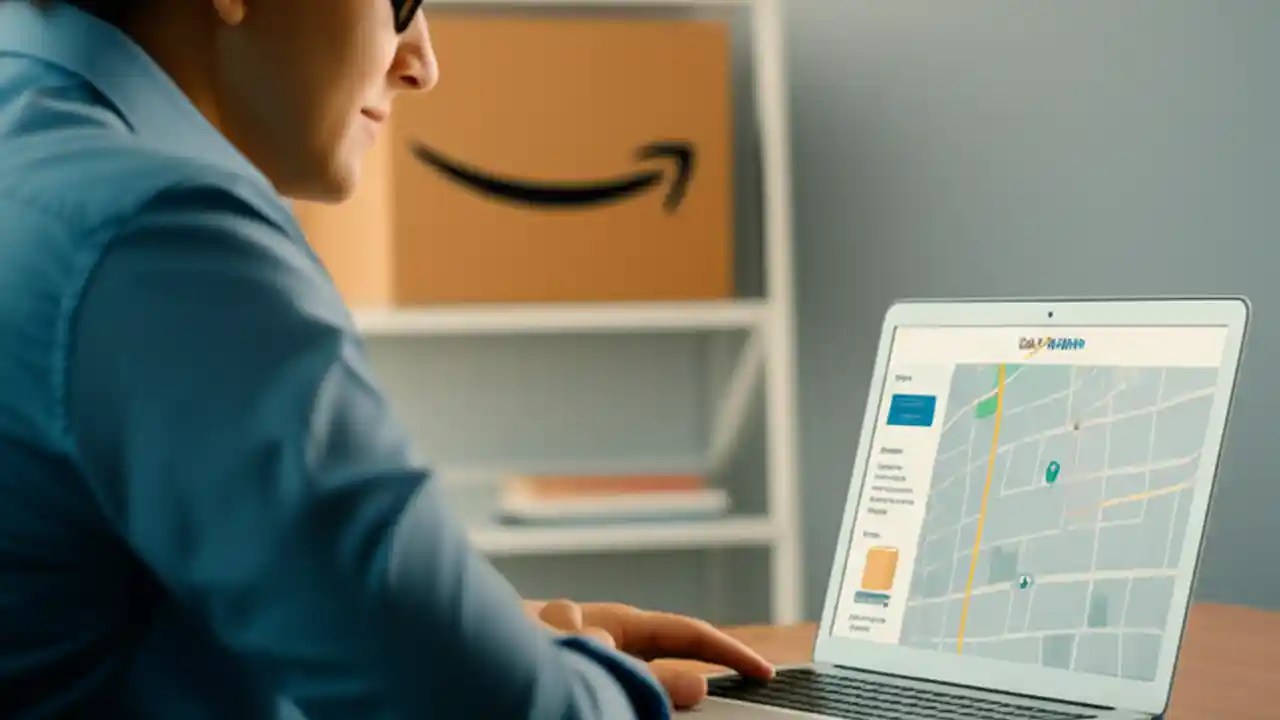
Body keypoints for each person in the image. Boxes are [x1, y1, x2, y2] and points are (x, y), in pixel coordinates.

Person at [0, 0, 776, 717]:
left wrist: (491, 630)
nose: (421, 62)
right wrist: (605, 686)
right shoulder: (163, 236)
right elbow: (469, 704)